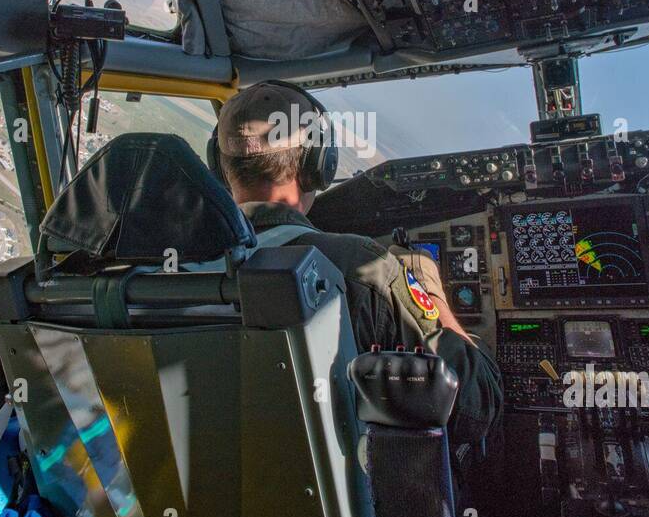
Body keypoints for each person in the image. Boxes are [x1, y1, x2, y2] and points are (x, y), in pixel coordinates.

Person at [208, 80, 503, 463]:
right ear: (318, 163)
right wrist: (428, 290)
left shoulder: (183, 264)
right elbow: (477, 404)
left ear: (220, 163)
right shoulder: (359, 266)